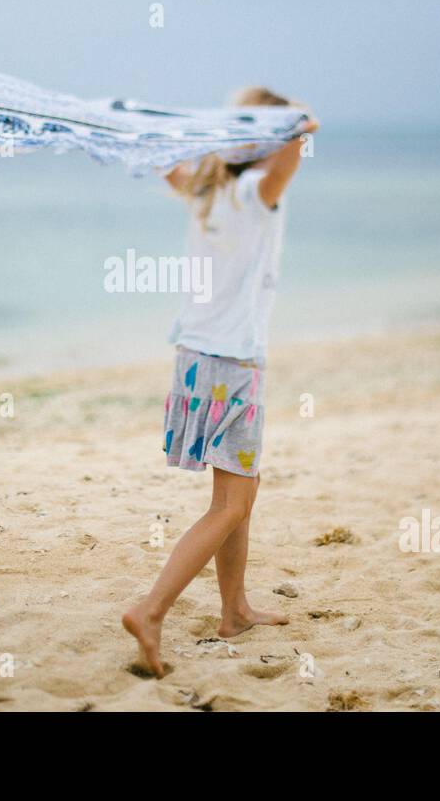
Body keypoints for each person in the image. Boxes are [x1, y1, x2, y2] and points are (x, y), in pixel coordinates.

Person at [122, 87, 318, 677]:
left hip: (195, 357)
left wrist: (150, 122)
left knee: (241, 492)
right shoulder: (257, 193)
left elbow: (163, 158)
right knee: (231, 502)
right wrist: (292, 122)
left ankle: (234, 609)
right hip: (232, 363)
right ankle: (150, 609)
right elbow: (303, 133)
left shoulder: (205, 188)